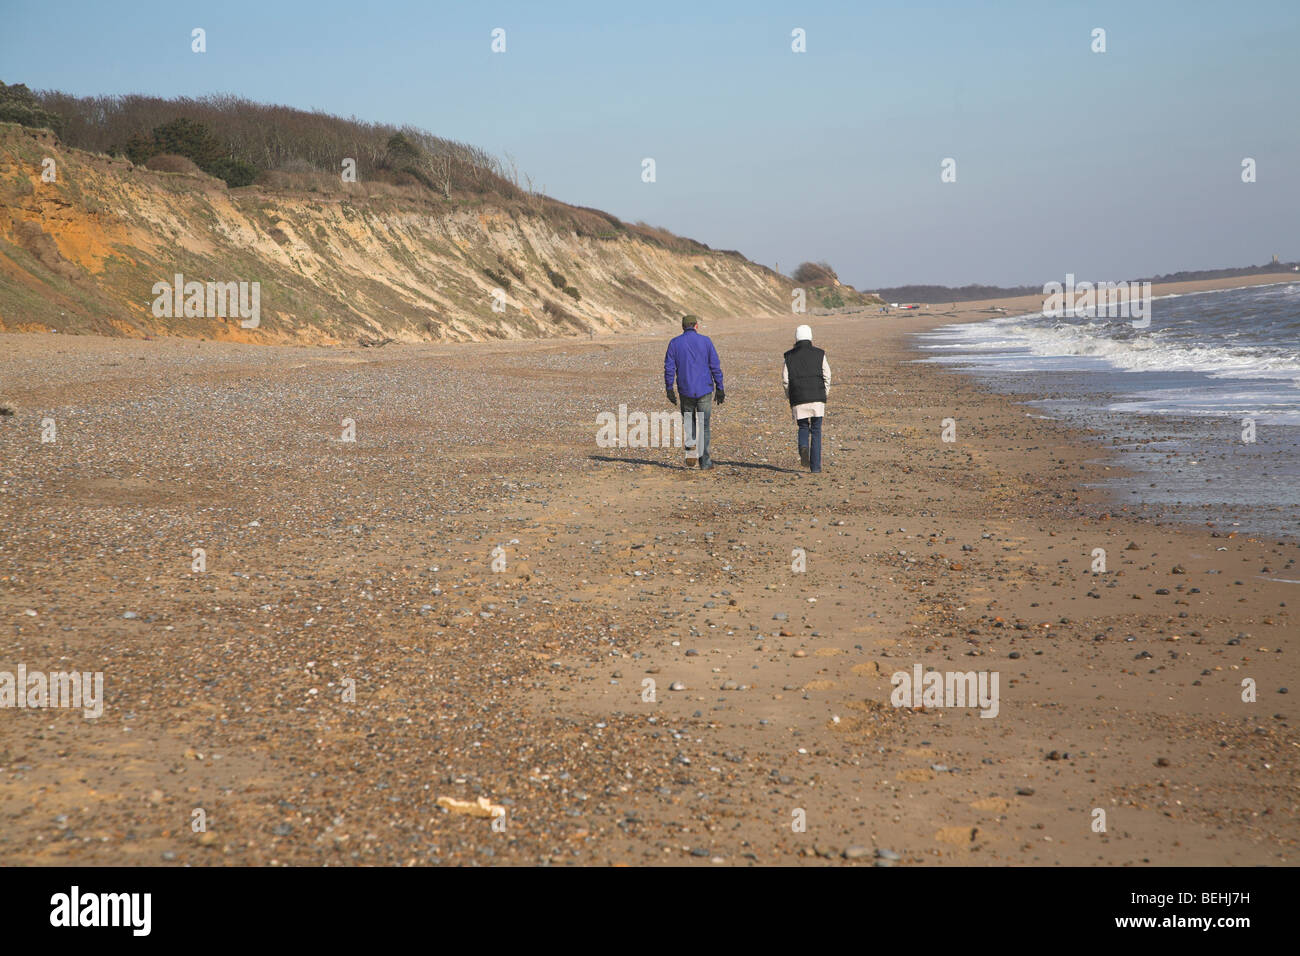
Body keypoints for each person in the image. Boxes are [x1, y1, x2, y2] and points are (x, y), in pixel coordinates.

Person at [664, 314, 724, 470]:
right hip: (704, 389)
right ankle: (705, 462)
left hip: (685, 390)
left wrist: (669, 388)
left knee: (689, 423)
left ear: (683, 327)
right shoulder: (706, 341)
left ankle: (691, 452)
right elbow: (715, 366)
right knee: (704, 426)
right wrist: (720, 387)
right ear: (696, 326)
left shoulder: (674, 343)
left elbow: (669, 368)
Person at [782, 324, 830, 473]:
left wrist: (790, 395)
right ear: (810, 337)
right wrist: (824, 393)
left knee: (803, 426)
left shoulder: (788, 356)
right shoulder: (820, 353)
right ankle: (815, 467)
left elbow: (785, 380)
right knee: (816, 430)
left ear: (796, 338)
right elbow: (827, 375)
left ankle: (803, 446)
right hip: (817, 398)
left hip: (798, 397)